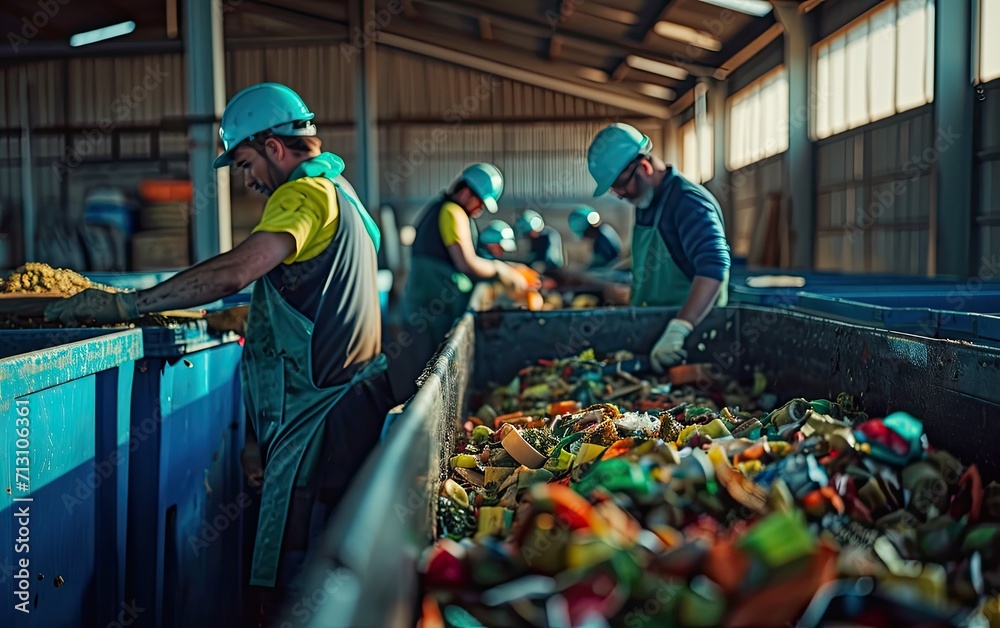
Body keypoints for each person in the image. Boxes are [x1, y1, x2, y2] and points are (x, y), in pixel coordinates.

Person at [45, 82, 393, 625]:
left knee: (290, 585)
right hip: (352, 408)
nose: (247, 179)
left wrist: (131, 304)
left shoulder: (302, 194)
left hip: (317, 424)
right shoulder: (343, 192)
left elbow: (238, 268)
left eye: (246, 163)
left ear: (274, 147)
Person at [586, 122, 730, 373]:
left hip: (691, 342)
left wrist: (680, 328)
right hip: (654, 333)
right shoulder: (647, 202)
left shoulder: (688, 202)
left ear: (644, 167)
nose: (619, 194)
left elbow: (714, 267)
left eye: (621, 185)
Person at [402, 163, 537, 350]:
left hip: (427, 310)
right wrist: (501, 270)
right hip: (435, 312)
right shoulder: (452, 212)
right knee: (431, 367)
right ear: (466, 192)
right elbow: (467, 264)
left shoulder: (439, 209)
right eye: (480, 202)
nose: (480, 209)